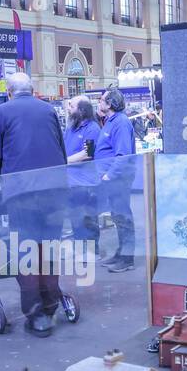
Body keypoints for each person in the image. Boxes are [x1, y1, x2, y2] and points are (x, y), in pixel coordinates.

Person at [0, 72, 70, 337]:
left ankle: (36, 313)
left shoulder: (1, 113)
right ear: (32, 89)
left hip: (22, 195)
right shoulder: (49, 110)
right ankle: (51, 303)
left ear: (9, 92)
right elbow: (62, 152)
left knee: (27, 250)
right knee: (49, 248)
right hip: (55, 191)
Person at [94, 87, 137, 272]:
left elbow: (123, 154)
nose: (99, 102)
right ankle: (120, 254)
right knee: (117, 217)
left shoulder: (120, 123)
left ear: (109, 104)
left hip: (118, 180)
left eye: (102, 100)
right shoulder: (111, 121)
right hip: (112, 181)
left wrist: (109, 175)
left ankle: (127, 259)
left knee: (123, 217)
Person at [63, 95, 101, 251]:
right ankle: (81, 251)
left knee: (88, 219)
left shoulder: (93, 128)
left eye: (71, 106)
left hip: (86, 184)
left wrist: (65, 161)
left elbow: (88, 153)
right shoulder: (71, 129)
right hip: (71, 183)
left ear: (82, 110)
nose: (68, 109)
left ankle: (92, 251)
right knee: (76, 219)